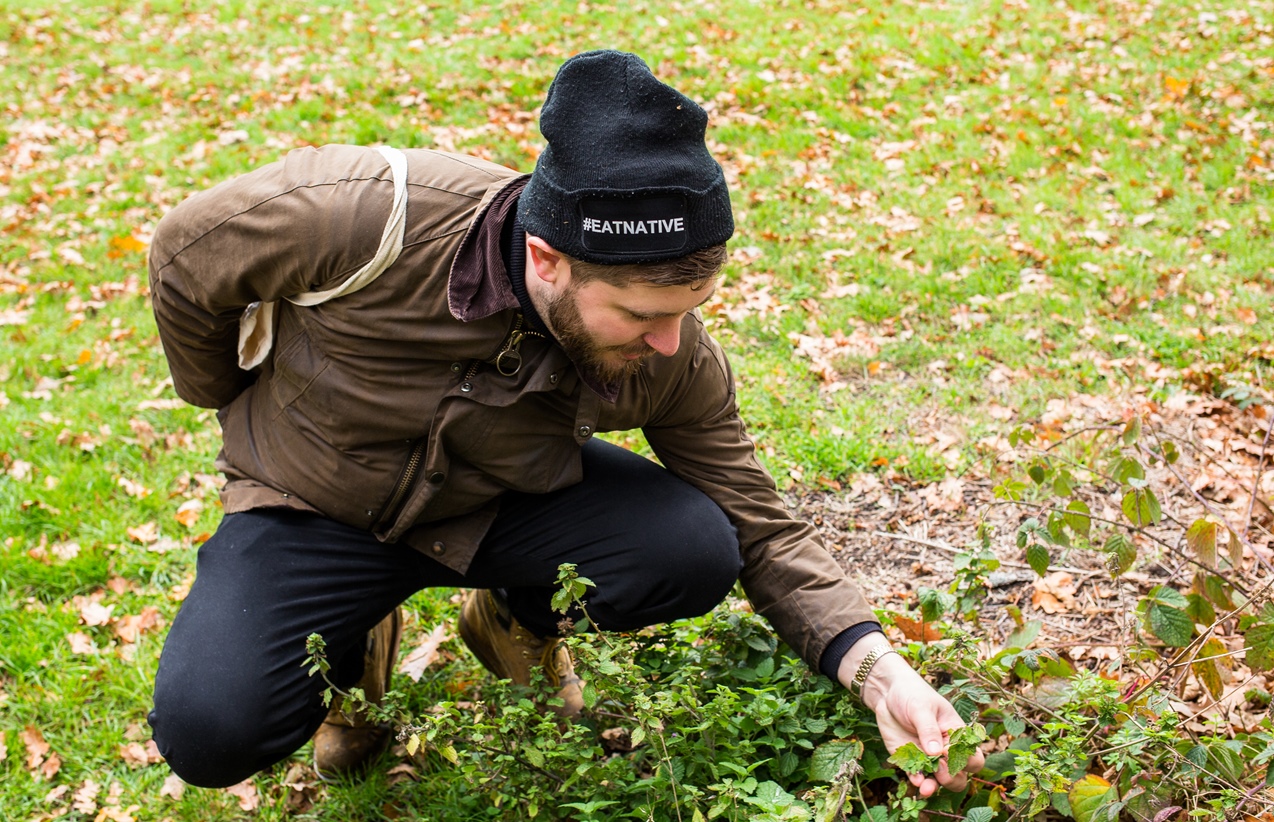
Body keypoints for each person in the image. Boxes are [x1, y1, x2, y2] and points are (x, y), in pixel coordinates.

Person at [146, 49, 984, 798]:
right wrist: (225, 396)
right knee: (210, 732)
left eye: (688, 310)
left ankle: (514, 621)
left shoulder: (672, 352)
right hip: (311, 507)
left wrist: (879, 673)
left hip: (497, 511)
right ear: (547, 258)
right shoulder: (363, 218)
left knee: (693, 547)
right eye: (638, 313)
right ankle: (355, 650)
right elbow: (185, 257)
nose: (669, 339)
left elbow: (756, 519)